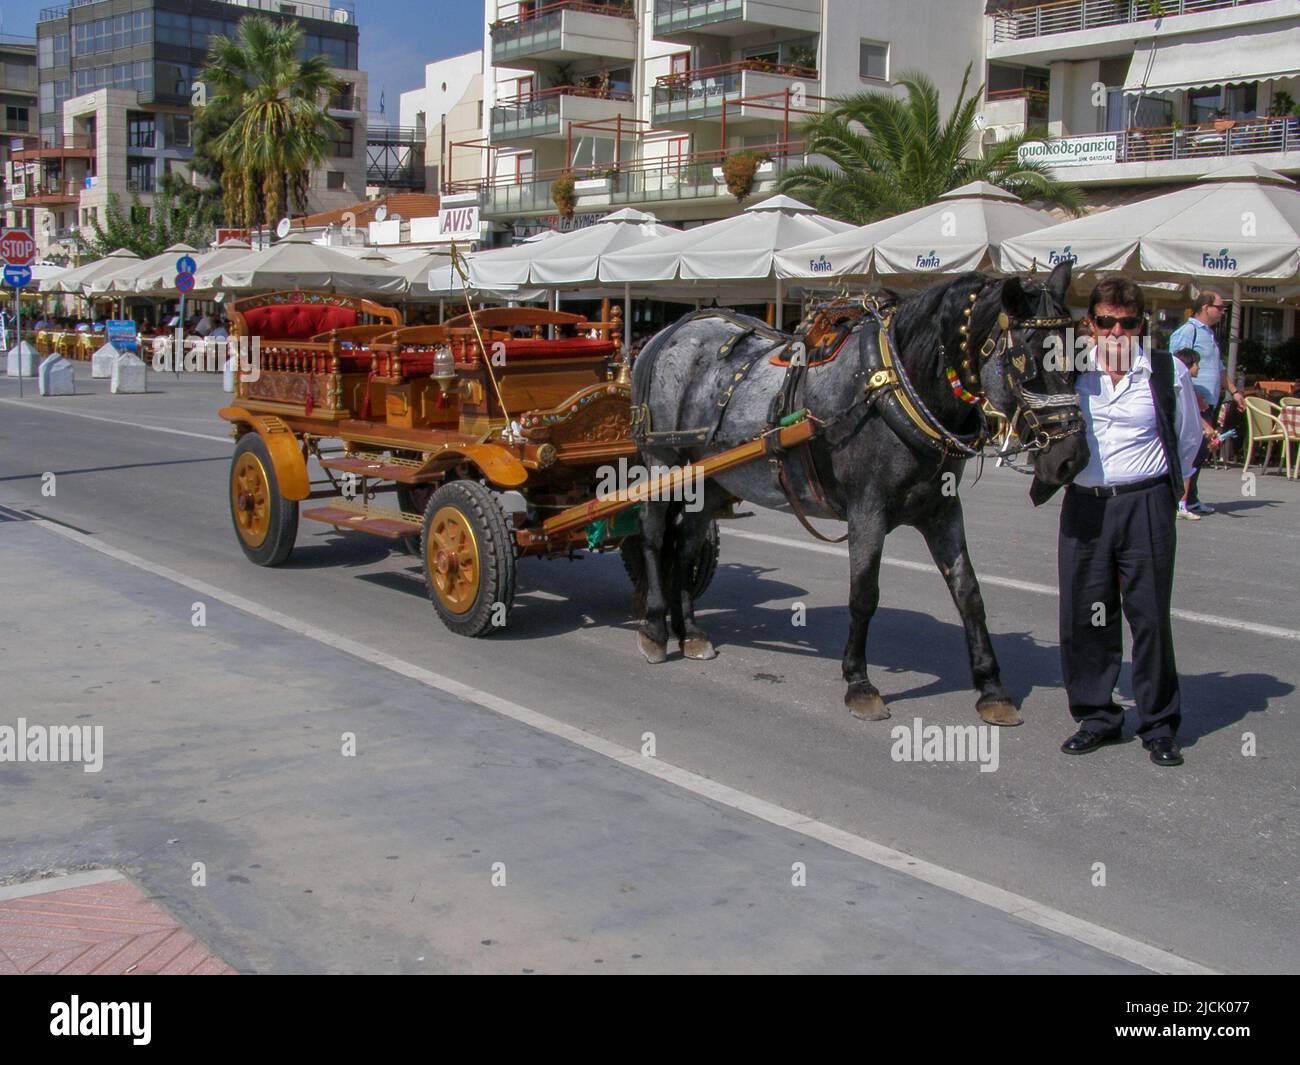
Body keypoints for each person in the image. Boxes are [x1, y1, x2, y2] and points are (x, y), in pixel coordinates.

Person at [1038, 277, 1202, 767]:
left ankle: (1158, 724)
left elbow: (1188, 440)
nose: (1116, 332)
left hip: (1144, 503)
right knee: (1085, 614)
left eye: (1127, 323)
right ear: (1090, 325)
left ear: (1140, 325)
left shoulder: (1165, 371)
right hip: (1085, 504)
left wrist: (1162, 488)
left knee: (1149, 615)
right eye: (1105, 322)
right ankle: (1097, 716)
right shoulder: (1068, 372)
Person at [1167, 289, 1246, 511]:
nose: (1223, 312)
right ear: (1205, 307)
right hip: (1193, 402)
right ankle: (1181, 499)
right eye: (1220, 307)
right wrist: (1193, 394)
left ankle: (1190, 498)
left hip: (1208, 400)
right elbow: (1176, 365)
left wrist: (1234, 391)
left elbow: (1219, 368)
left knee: (1201, 449)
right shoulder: (1188, 331)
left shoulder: (1209, 334)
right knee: (1191, 449)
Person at [1172, 347, 1222, 522]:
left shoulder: (1185, 384)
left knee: (1189, 464)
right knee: (1187, 464)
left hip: (1188, 431)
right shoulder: (1183, 385)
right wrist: (1207, 428)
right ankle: (1181, 504)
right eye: (1196, 363)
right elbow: (1189, 411)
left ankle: (1186, 502)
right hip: (1185, 433)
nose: (1199, 367)